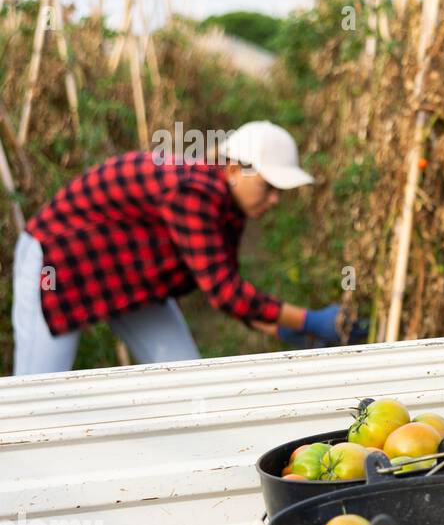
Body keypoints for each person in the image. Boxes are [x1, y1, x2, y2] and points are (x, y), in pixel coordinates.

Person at [11, 121, 343, 375]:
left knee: (184, 379)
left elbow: (223, 282)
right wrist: (311, 320)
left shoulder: (227, 202)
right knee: (39, 395)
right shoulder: (193, 193)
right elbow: (225, 292)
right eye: (269, 187)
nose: (274, 200)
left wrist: (283, 326)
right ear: (232, 170)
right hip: (58, 265)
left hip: (128, 280)